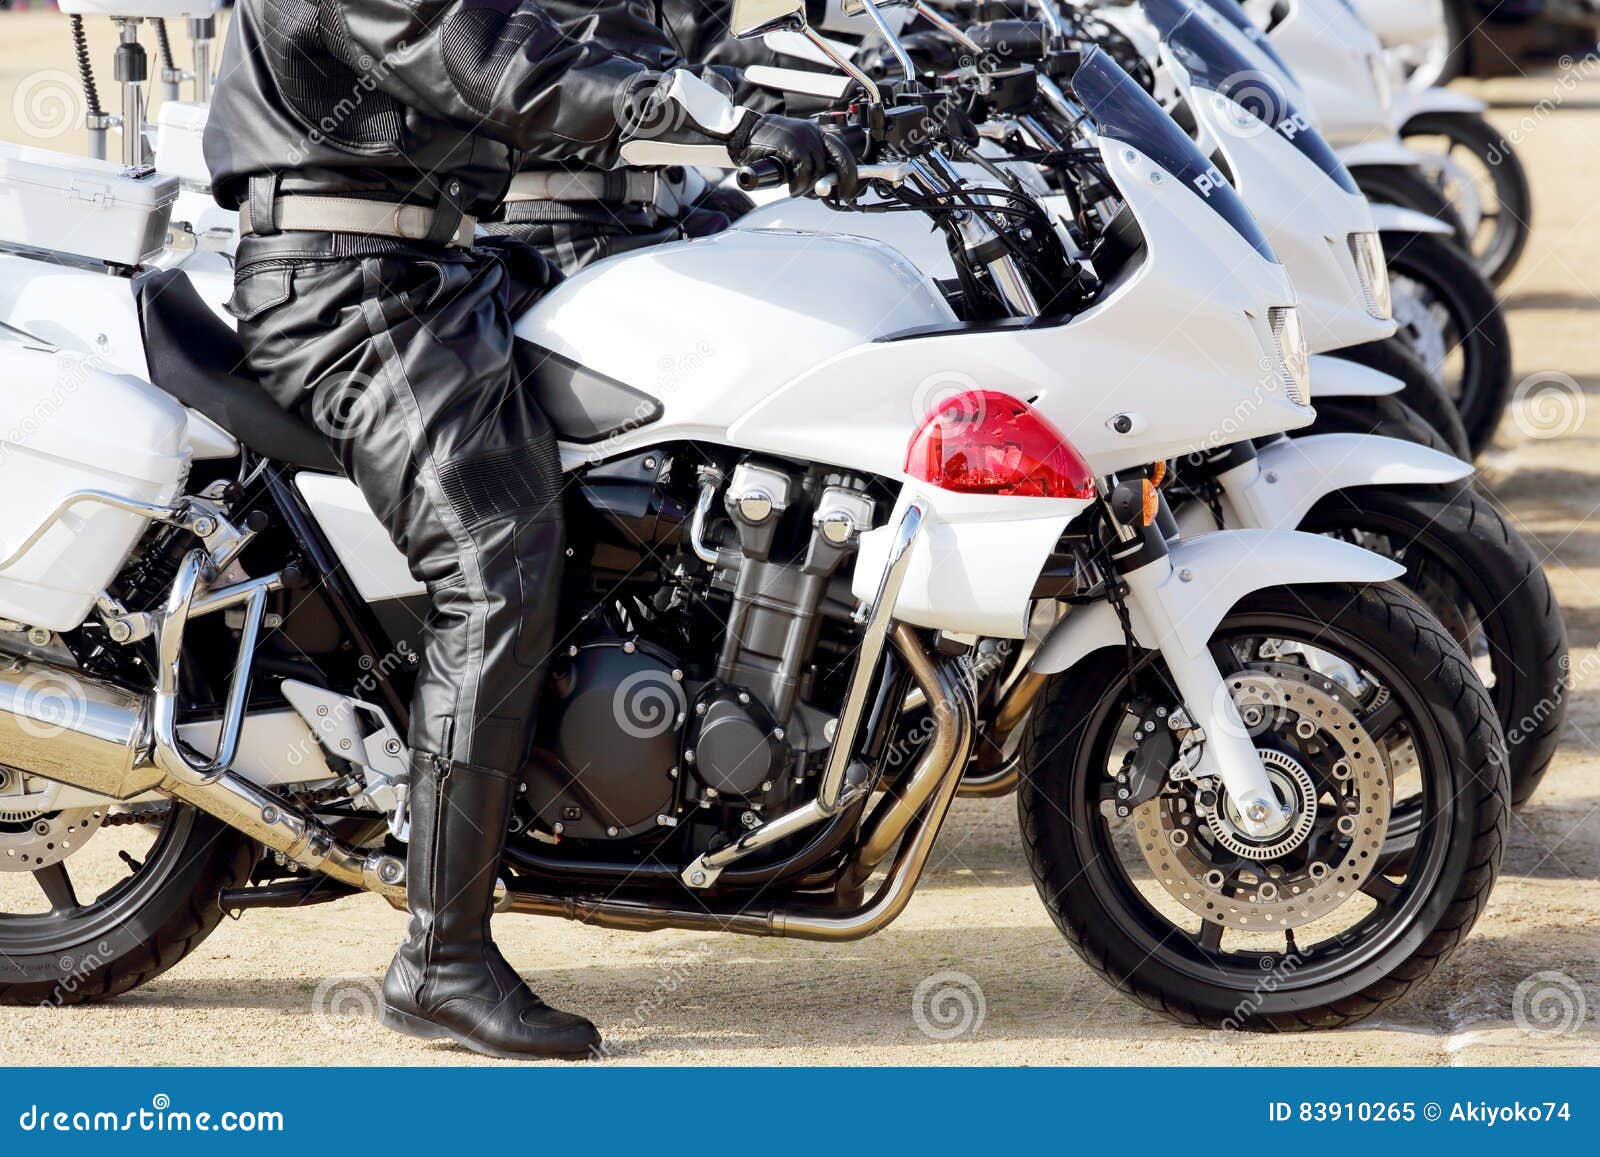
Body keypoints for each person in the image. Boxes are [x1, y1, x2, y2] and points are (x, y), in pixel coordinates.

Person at [203, 0, 854, 1061]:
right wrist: (709, 116)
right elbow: (492, 62)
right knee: (493, 565)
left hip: (437, 266)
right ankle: (440, 957)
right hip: (352, 290)